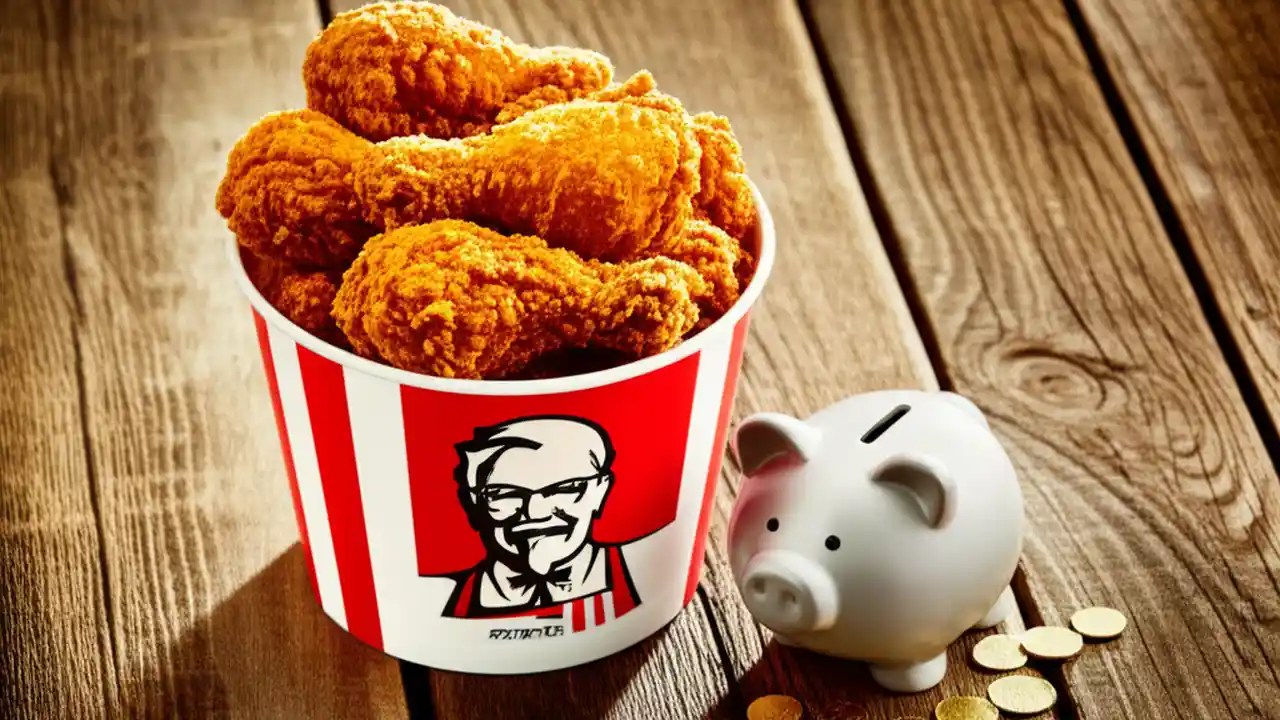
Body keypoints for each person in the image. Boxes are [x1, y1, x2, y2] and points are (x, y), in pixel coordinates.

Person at [442, 415, 640, 620]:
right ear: (474, 503)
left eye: (565, 488)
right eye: (504, 493)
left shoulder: (648, 569)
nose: (536, 512)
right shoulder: (438, 597)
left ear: (601, 490)